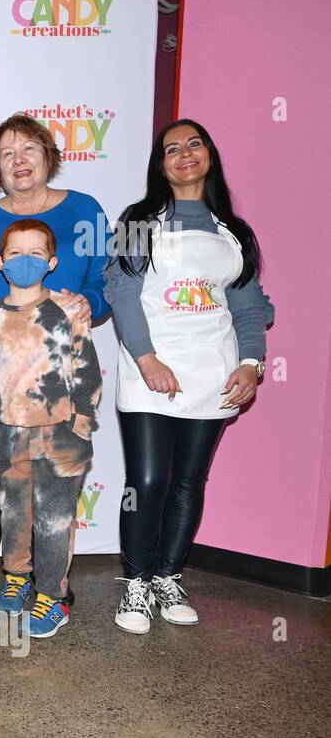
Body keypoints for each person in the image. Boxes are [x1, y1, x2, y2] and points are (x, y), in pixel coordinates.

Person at [104, 119, 273, 634]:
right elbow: (122, 294)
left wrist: (251, 364)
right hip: (148, 372)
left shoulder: (234, 234)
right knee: (147, 481)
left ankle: (167, 576)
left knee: (188, 482)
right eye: (171, 149)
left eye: (194, 144)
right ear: (161, 165)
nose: (184, 154)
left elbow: (248, 308)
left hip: (212, 375)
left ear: (209, 156)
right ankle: (135, 582)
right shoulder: (138, 221)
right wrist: (147, 359)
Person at [0, 113, 111, 592]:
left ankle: (52, 584)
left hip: (57, 374)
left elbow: (109, 283)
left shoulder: (85, 211)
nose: (18, 162)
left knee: (54, 487)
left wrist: (92, 301)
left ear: (48, 156)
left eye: (28, 150)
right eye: (7, 154)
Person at [0, 219, 102, 639]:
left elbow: (86, 368)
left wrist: (81, 424)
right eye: (14, 253)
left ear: (51, 261)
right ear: (0, 261)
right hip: (8, 437)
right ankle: (16, 578)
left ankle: (52, 595)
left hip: (59, 437)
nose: (24, 260)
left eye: (34, 252)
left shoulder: (68, 312)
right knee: (14, 516)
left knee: (54, 521)